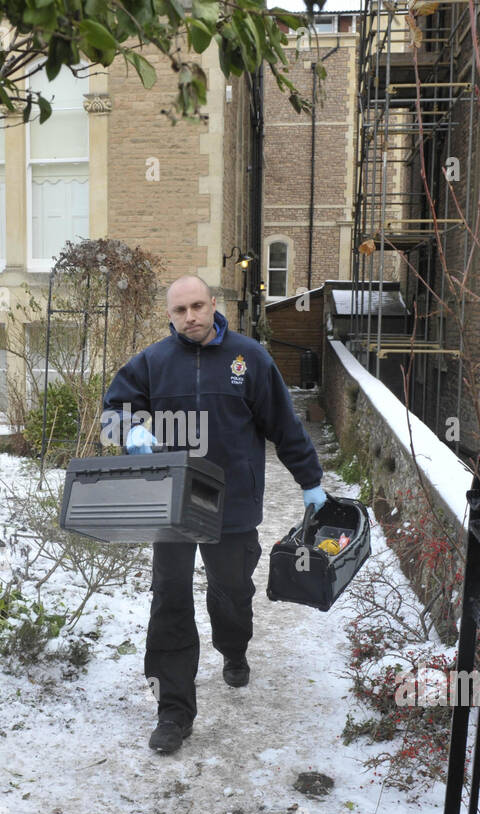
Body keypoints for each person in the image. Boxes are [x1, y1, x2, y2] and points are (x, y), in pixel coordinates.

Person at [101, 275, 327, 754]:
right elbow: (113, 410)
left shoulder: (250, 360)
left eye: (198, 306)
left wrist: (310, 482)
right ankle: (173, 711)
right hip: (173, 504)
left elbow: (284, 425)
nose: (190, 317)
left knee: (232, 595)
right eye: (180, 310)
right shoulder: (153, 363)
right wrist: (130, 431)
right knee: (170, 601)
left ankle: (234, 648)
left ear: (214, 305)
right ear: (170, 315)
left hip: (233, 504)